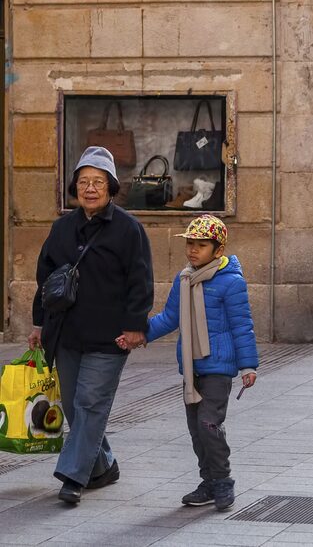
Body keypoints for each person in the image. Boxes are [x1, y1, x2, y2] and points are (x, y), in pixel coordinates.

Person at [29, 146, 153, 505]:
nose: (90, 188)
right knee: (73, 406)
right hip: (65, 334)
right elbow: (45, 278)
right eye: (84, 181)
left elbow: (140, 282)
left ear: (111, 187)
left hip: (109, 336)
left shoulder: (129, 230)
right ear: (75, 187)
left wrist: (135, 327)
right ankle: (104, 465)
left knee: (90, 404)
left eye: (98, 181)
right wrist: (38, 324)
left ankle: (72, 476)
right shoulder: (61, 228)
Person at [133, 215, 258, 511]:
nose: (192, 250)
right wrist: (138, 334)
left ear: (217, 250)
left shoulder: (231, 282)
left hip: (218, 366)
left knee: (208, 423)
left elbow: (243, 326)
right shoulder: (185, 278)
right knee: (195, 428)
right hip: (192, 366)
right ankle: (209, 482)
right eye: (190, 244)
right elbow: (170, 317)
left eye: (200, 245)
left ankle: (223, 480)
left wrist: (248, 366)